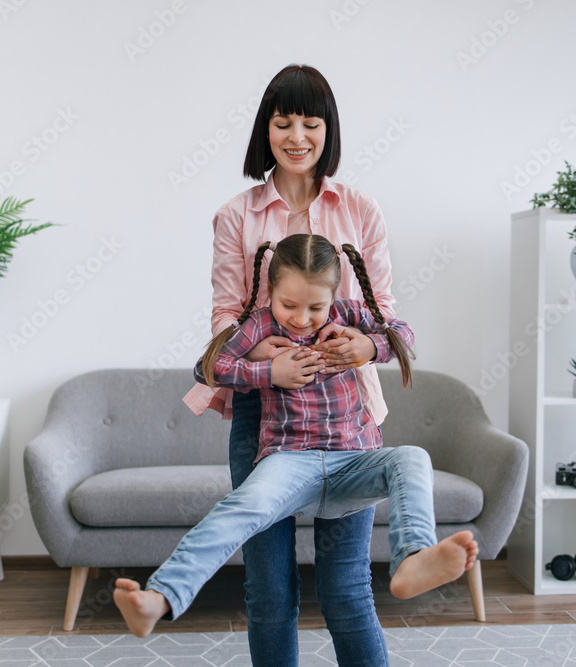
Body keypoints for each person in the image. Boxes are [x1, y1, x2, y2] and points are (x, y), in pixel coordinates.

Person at [113, 234, 478, 638]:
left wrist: (369, 347)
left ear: (333, 296)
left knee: (412, 457)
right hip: (289, 464)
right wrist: (268, 371)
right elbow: (208, 367)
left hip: (353, 461)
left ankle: (414, 556)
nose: (302, 319)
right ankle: (160, 597)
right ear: (271, 291)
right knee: (240, 508)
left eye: (316, 307)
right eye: (289, 305)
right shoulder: (259, 325)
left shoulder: (348, 314)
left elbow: (403, 333)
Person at [180, 62, 398, 667]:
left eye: (311, 123)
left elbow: (384, 314)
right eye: (283, 123)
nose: (297, 137)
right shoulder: (237, 215)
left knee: (347, 588)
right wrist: (263, 361)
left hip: (348, 419)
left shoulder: (361, 210)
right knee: (269, 590)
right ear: (265, 130)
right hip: (263, 413)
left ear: (329, 129)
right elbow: (226, 316)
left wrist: (365, 347)